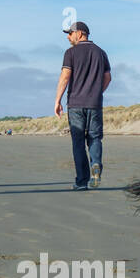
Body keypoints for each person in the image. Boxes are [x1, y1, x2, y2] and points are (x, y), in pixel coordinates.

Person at [53, 21, 111, 190]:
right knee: (94, 137)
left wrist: (57, 100)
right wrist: (97, 92)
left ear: (80, 33)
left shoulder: (71, 53)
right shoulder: (101, 53)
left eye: (70, 33)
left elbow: (65, 77)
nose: (68, 37)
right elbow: (108, 78)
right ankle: (96, 165)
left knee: (78, 143)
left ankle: (81, 182)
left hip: (76, 104)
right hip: (94, 103)